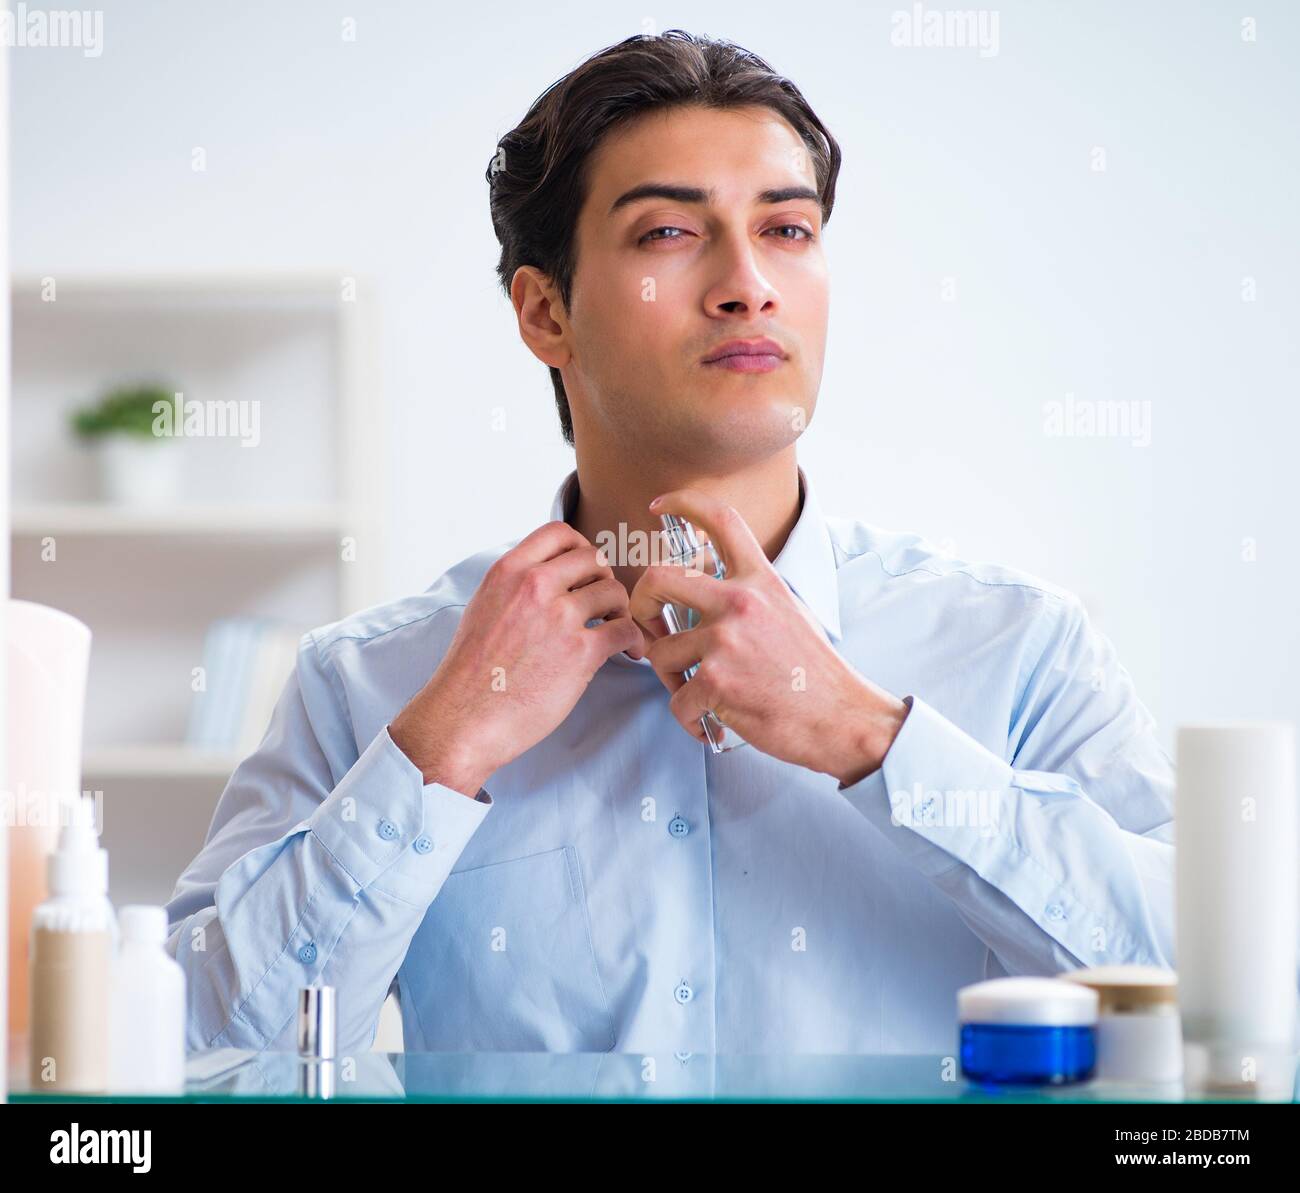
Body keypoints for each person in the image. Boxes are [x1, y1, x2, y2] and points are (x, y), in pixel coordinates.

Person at [165, 30, 1174, 1057]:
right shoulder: (369, 681)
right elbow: (196, 1047)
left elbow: (1200, 993)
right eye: (666, 235)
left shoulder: (1020, 647)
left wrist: (870, 738)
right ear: (545, 310)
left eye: (787, 228)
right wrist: (435, 755)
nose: (748, 284)